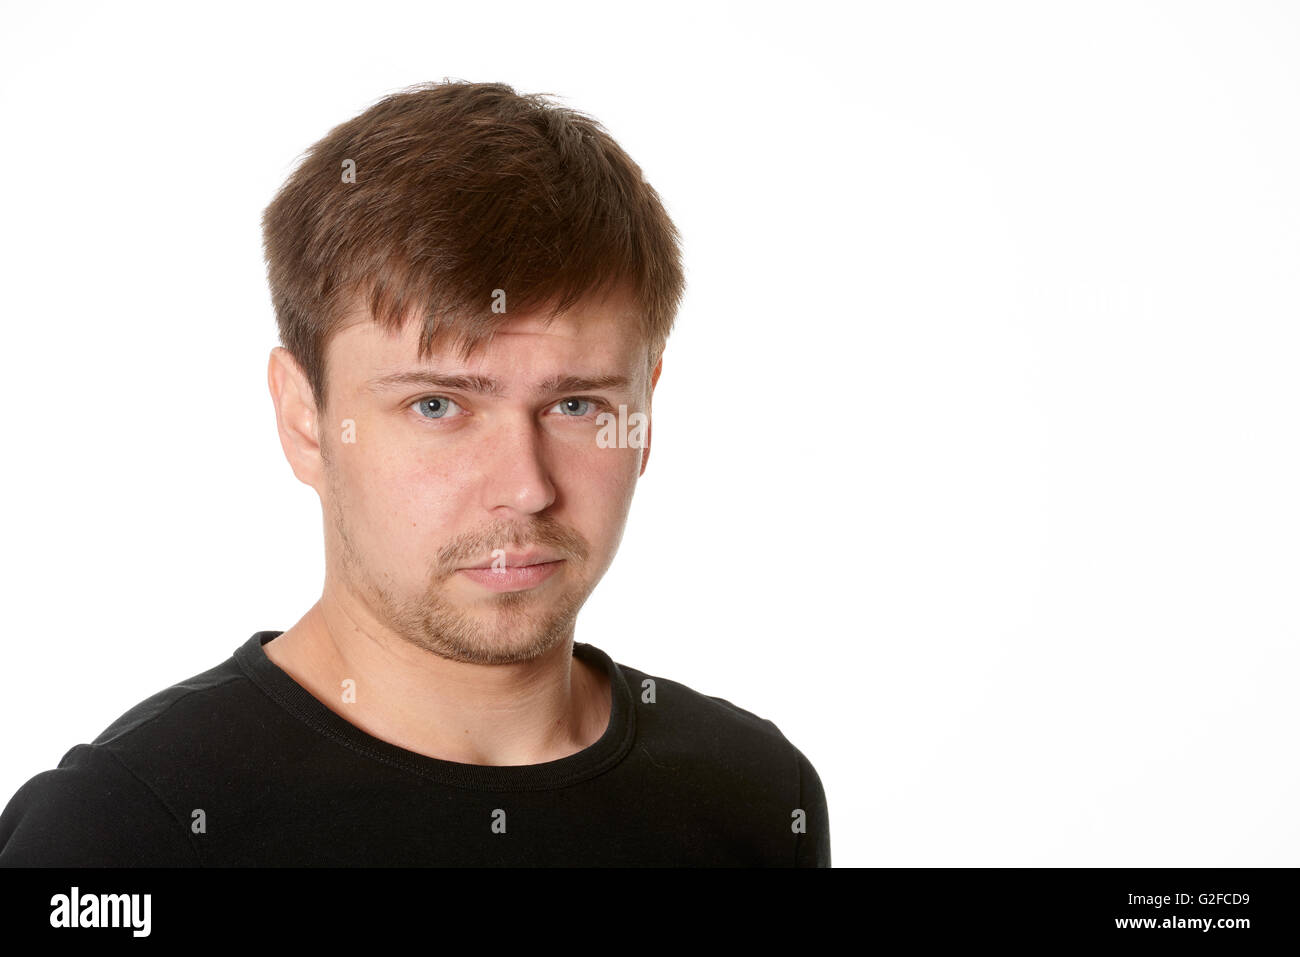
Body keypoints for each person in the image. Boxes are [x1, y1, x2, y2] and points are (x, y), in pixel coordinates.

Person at [0, 80, 829, 866]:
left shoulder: (755, 798)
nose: (525, 485)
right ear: (304, 418)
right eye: (438, 405)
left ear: (643, 411)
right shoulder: (119, 832)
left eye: (575, 404)